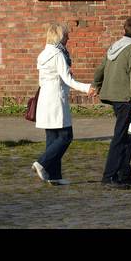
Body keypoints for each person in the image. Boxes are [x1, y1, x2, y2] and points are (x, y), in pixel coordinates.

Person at [33, 22, 94, 186]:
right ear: (59, 37)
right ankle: (42, 162)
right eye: (66, 36)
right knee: (66, 136)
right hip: (56, 99)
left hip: (45, 99)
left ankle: (54, 176)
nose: (68, 38)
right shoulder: (58, 55)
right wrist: (87, 88)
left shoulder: (43, 54)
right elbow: (68, 79)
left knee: (52, 139)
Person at [92, 16, 131, 189]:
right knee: (121, 136)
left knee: (130, 134)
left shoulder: (115, 45)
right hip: (125, 97)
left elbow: (101, 67)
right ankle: (109, 176)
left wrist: (97, 83)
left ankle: (124, 173)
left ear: (124, 29)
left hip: (114, 95)